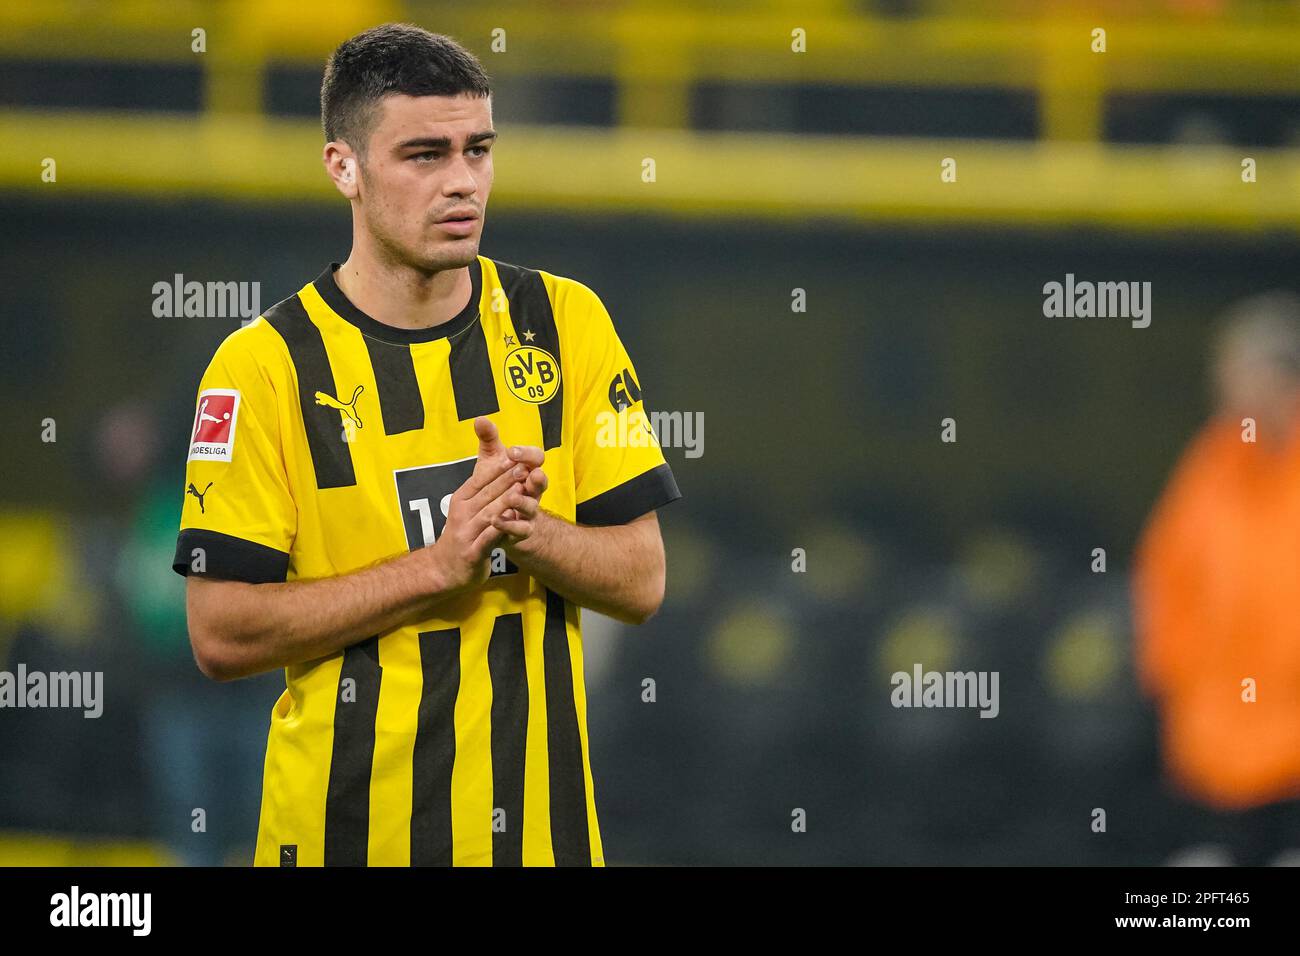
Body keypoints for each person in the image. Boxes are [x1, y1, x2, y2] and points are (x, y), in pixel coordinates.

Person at [171, 23, 681, 866]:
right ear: (344, 167)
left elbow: (643, 580)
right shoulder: (262, 367)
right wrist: (436, 565)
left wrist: (528, 532)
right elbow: (221, 634)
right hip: (338, 842)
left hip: (538, 844)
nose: (462, 183)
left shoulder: (564, 324)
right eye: (423, 155)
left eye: (477, 150)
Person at [1133, 290, 1300, 865]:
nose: (1222, 387)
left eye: (1234, 371)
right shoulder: (1213, 464)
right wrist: (1175, 678)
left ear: (1281, 378)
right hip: (1216, 744)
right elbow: (1166, 578)